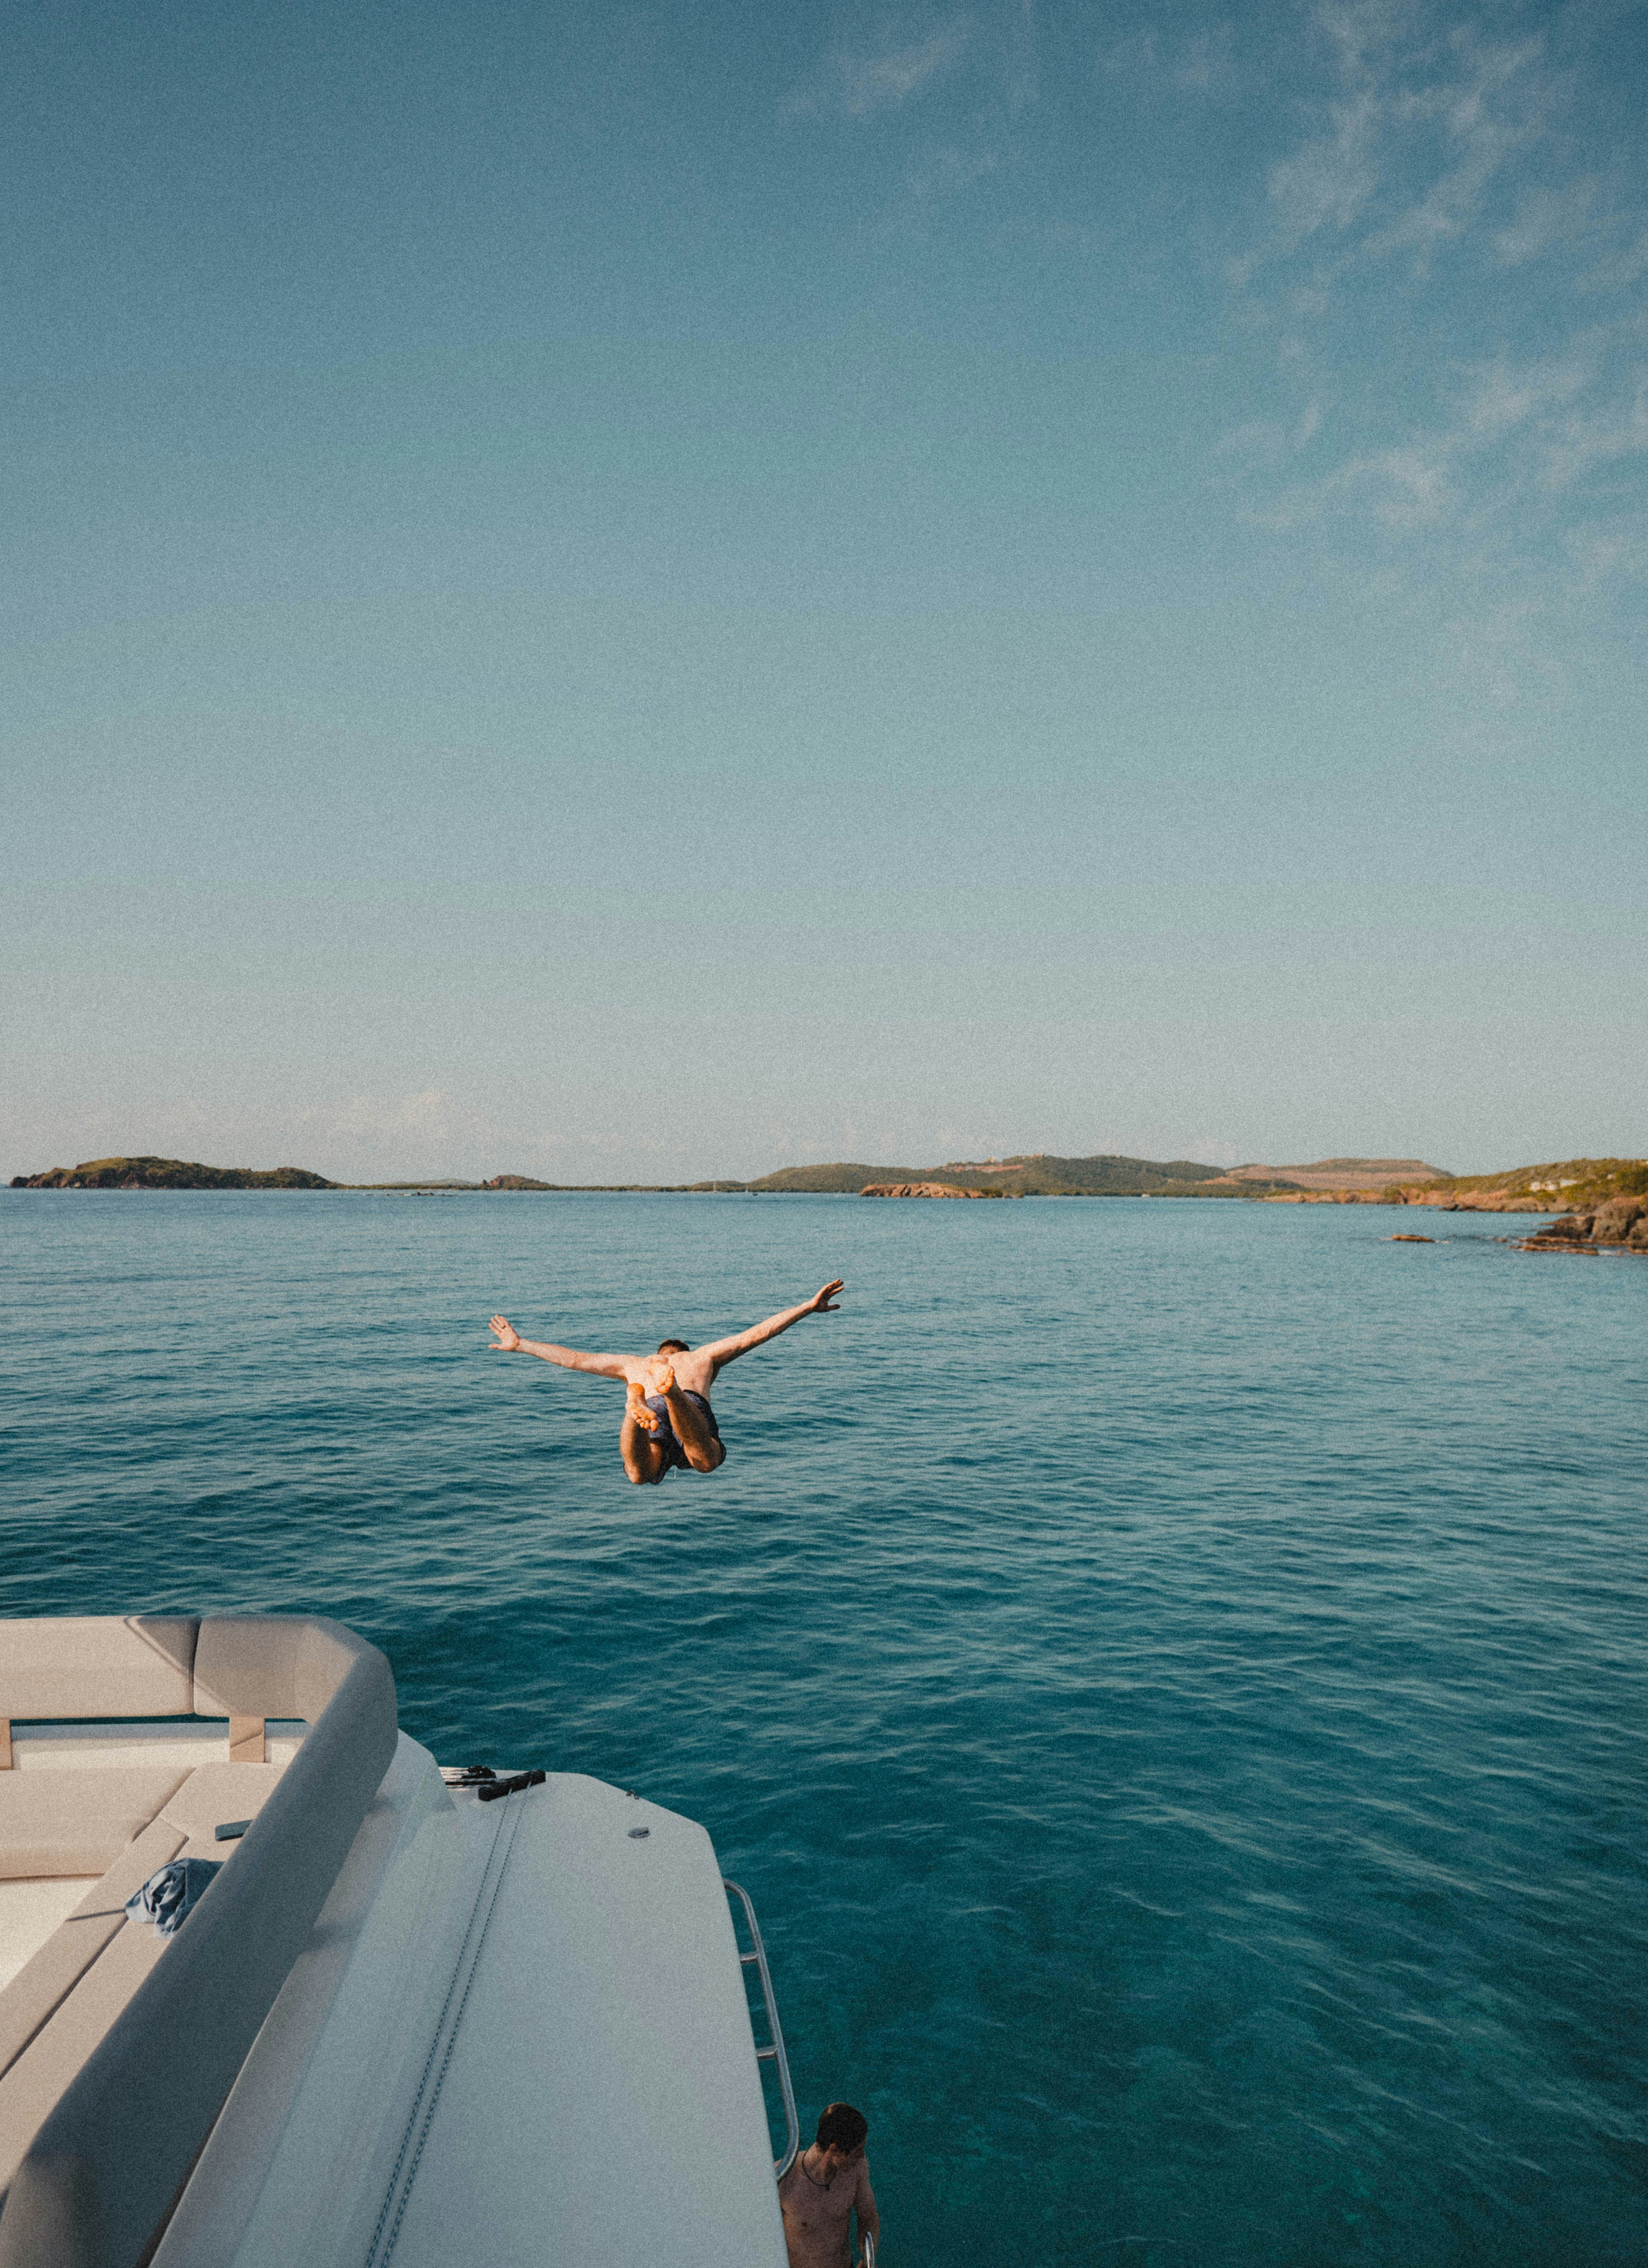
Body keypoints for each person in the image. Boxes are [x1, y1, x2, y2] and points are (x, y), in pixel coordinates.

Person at [488, 1279, 845, 1485]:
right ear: (680, 1354)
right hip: (688, 1403)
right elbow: (753, 1335)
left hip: (649, 1401)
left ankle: (634, 1406)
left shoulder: (637, 1364)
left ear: (658, 1353)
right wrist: (807, 1307)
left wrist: (522, 1345)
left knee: (639, 1475)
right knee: (705, 1461)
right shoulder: (700, 1358)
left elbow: (575, 1359)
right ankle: (670, 1392)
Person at [778, 2102, 880, 2268]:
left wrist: (868, 2259)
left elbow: (869, 2217)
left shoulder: (857, 2169)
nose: (862, 2157)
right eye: (857, 2151)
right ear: (835, 2150)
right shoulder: (784, 2180)